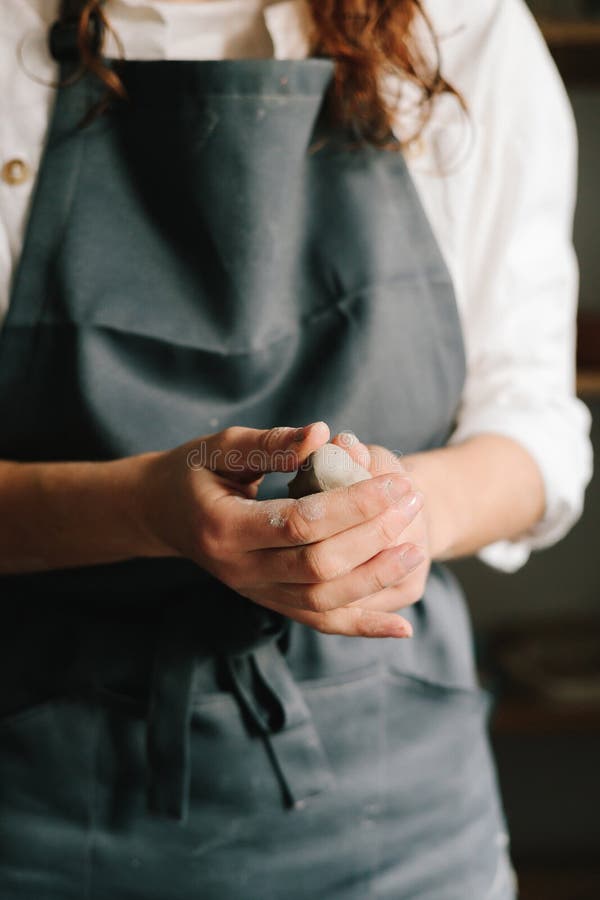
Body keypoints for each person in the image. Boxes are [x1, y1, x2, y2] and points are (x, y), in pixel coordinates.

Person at [0, 0, 592, 897]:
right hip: (43, 795)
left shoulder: (460, 26)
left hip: (395, 802)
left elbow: (534, 431)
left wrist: (395, 519)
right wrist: (144, 508)